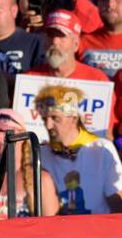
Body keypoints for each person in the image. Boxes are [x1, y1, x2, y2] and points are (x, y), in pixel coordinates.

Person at [35, 83, 122, 214]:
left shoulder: (101, 149)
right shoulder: (41, 153)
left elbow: (117, 203)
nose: (48, 126)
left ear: (74, 118)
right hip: (56, 231)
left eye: (55, 118)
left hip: (97, 231)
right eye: (44, 119)